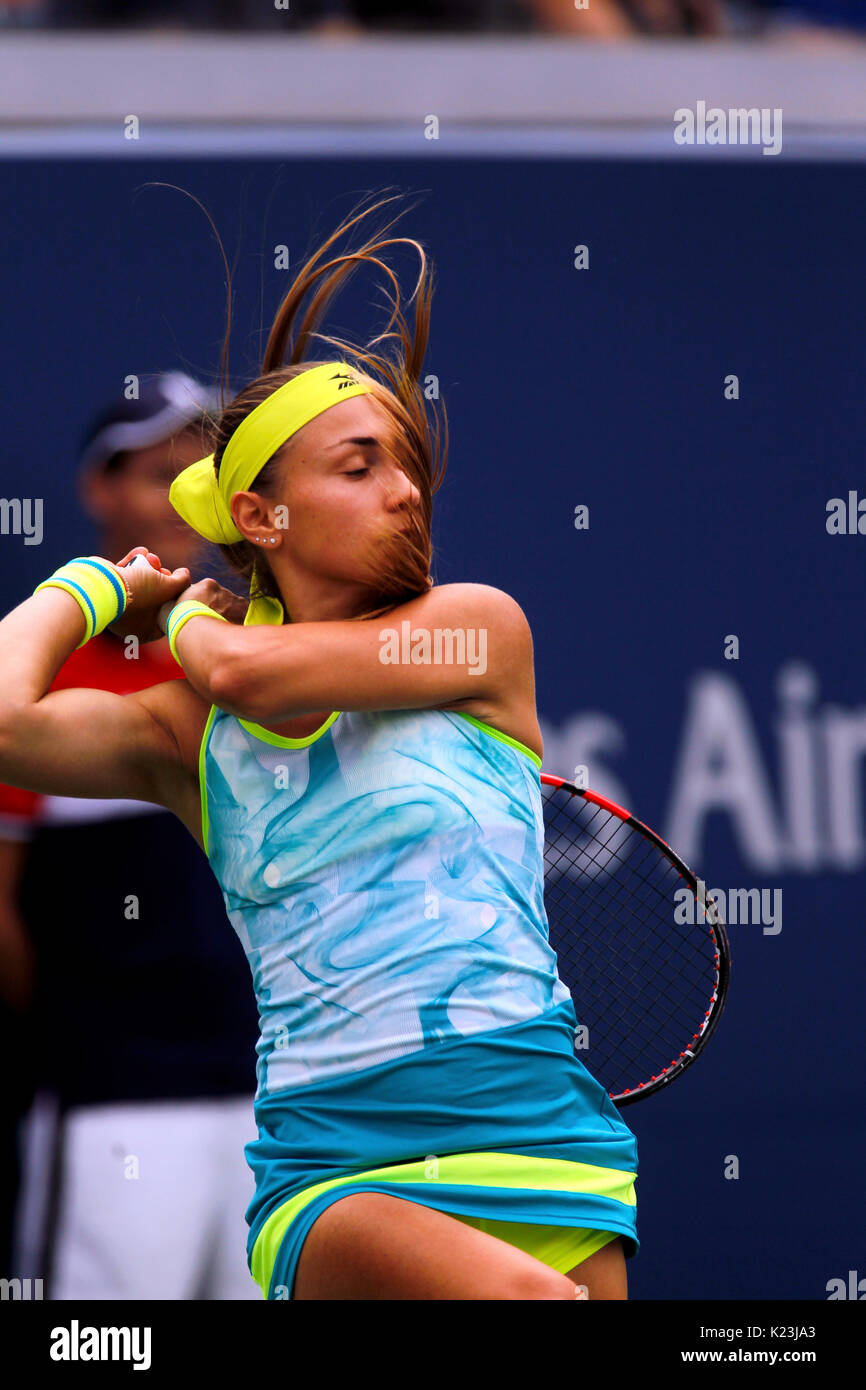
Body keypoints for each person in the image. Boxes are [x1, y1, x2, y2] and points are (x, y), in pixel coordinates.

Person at [0, 192, 639, 1300]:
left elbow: (258, 677)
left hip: (549, 1143)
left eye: (408, 462)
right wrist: (96, 584)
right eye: (357, 467)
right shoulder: (184, 729)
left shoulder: (478, 629)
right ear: (261, 518)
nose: (405, 490)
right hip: (338, 1168)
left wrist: (184, 617)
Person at [1, 375, 261, 1300]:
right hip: (114, 1106)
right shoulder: (45, 675)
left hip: (271, 1115)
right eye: (161, 473)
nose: (186, 493)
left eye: (204, 473)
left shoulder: (254, 666)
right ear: (99, 490)